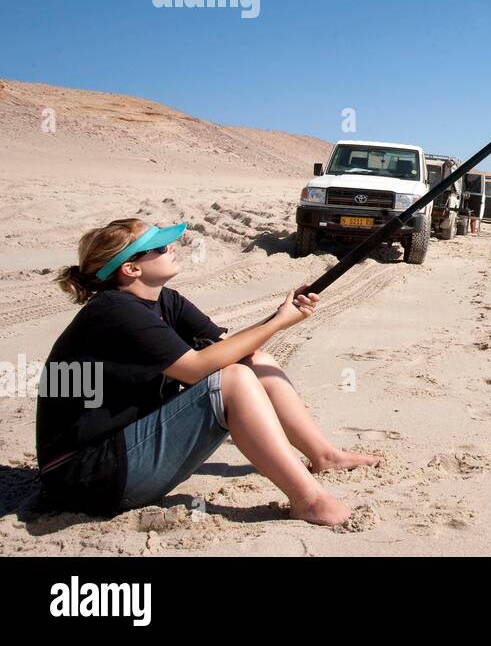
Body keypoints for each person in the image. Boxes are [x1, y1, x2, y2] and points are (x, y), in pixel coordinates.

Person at [36, 217, 378, 526]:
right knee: (234, 382)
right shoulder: (114, 311)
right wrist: (278, 323)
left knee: (255, 362)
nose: (171, 247)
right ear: (131, 270)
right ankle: (308, 500)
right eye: (157, 247)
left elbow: (232, 347)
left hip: (125, 452)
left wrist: (281, 314)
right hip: (87, 477)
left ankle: (323, 455)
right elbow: (196, 369)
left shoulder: (164, 300)